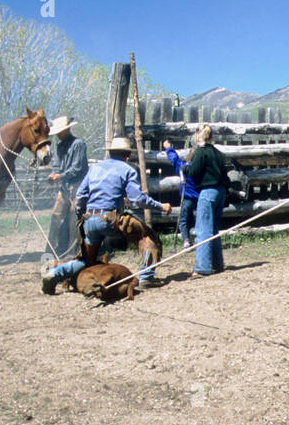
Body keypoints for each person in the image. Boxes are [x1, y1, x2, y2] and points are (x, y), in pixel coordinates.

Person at [41, 137, 169, 294]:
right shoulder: (127, 169)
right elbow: (138, 199)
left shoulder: (94, 168)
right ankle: (146, 277)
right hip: (112, 219)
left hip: (89, 219)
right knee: (148, 239)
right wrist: (160, 206)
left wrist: (82, 215)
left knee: (86, 260)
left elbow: (81, 196)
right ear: (127, 155)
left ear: (110, 153)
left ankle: (54, 274)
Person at [185, 124, 228, 276]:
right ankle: (217, 263)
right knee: (214, 228)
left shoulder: (200, 152)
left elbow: (194, 171)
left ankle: (203, 266)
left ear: (198, 136)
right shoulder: (217, 153)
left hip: (207, 192)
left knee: (203, 229)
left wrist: (184, 168)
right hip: (220, 191)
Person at [45, 115, 87, 262]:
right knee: (56, 216)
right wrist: (54, 174)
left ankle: (73, 251)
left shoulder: (78, 144)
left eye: (59, 131)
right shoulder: (59, 146)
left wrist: (60, 176)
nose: (57, 134)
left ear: (67, 130)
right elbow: (56, 165)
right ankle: (50, 251)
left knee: (74, 218)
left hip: (78, 187)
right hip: (64, 188)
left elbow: (77, 168)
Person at [163, 138, 198, 249]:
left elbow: (174, 159)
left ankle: (186, 241)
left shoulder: (182, 167)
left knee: (183, 220)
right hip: (198, 198)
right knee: (195, 219)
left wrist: (168, 148)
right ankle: (197, 239)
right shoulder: (199, 169)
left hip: (187, 198)